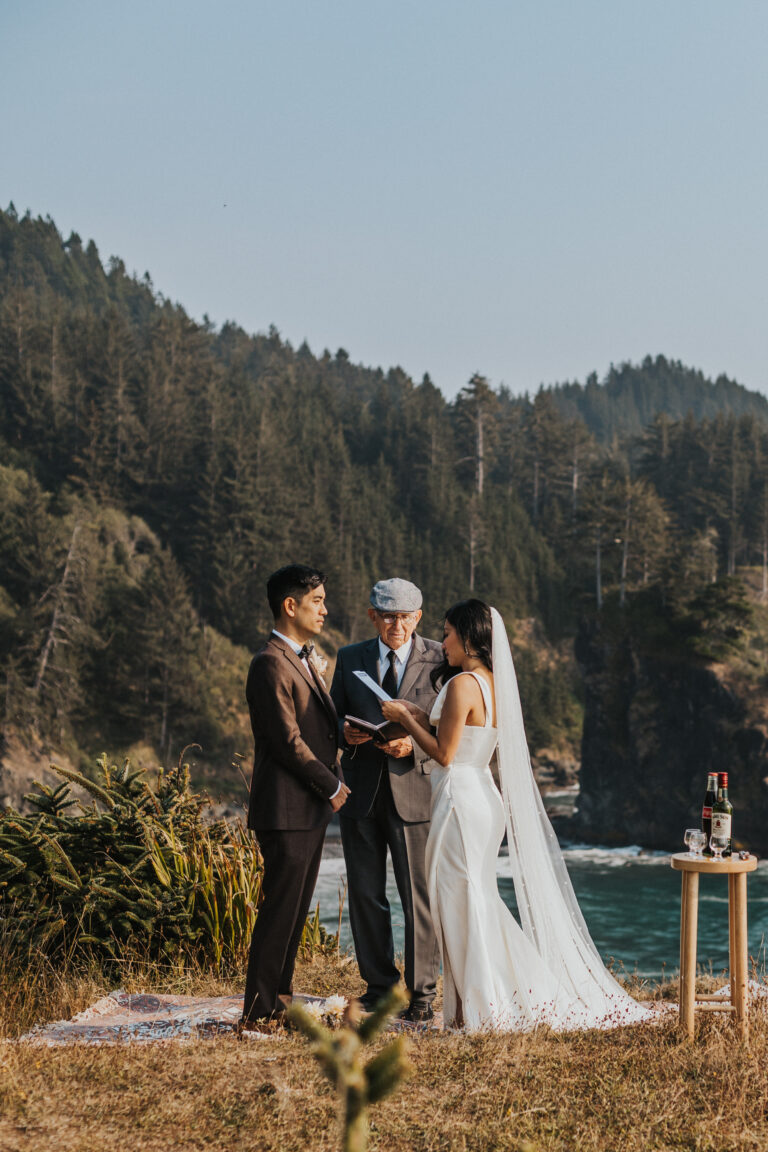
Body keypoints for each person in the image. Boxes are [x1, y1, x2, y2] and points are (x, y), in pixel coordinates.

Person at [382, 599, 650, 1031]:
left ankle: (481, 1008)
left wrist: (403, 719)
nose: (442, 642)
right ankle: (472, 1006)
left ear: (469, 638)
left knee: (460, 902)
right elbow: (465, 736)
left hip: (459, 800)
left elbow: (444, 754)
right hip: (482, 796)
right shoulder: (490, 682)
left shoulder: (462, 684)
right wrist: (419, 716)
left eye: (447, 633)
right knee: (475, 899)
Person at [240, 564, 350, 1032]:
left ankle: (277, 1002)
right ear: (291, 605)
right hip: (286, 808)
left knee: (293, 912)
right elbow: (287, 741)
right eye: (317, 601)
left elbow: (315, 727)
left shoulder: (300, 658)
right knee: (278, 912)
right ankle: (258, 1010)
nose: (325, 610)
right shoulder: (269, 662)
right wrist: (332, 785)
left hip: (306, 809)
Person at [330, 578, 442, 1022]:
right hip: (361, 795)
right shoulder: (349, 657)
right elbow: (332, 716)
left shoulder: (440, 658)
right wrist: (345, 732)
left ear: (419, 617)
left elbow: (452, 729)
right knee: (366, 895)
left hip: (415, 793)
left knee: (418, 898)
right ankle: (379, 987)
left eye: (406, 617)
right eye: (389, 617)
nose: (397, 626)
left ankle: (423, 994)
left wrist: (412, 746)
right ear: (372, 616)